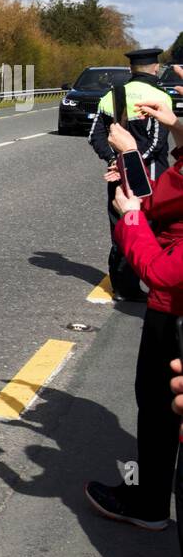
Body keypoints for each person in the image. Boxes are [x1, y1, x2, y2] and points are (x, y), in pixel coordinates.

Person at [85, 91, 183, 532]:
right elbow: (158, 199)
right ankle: (150, 498)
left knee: (160, 407)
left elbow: (163, 271)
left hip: (174, 311)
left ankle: (149, 505)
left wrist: (129, 217)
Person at [89, 47, 174, 300]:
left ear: (130, 69)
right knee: (153, 229)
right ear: (156, 68)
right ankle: (159, 282)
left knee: (123, 226)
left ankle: (124, 288)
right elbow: (157, 142)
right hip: (152, 176)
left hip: (119, 175)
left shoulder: (111, 95)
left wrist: (116, 161)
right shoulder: (159, 97)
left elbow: (96, 136)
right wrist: (131, 160)